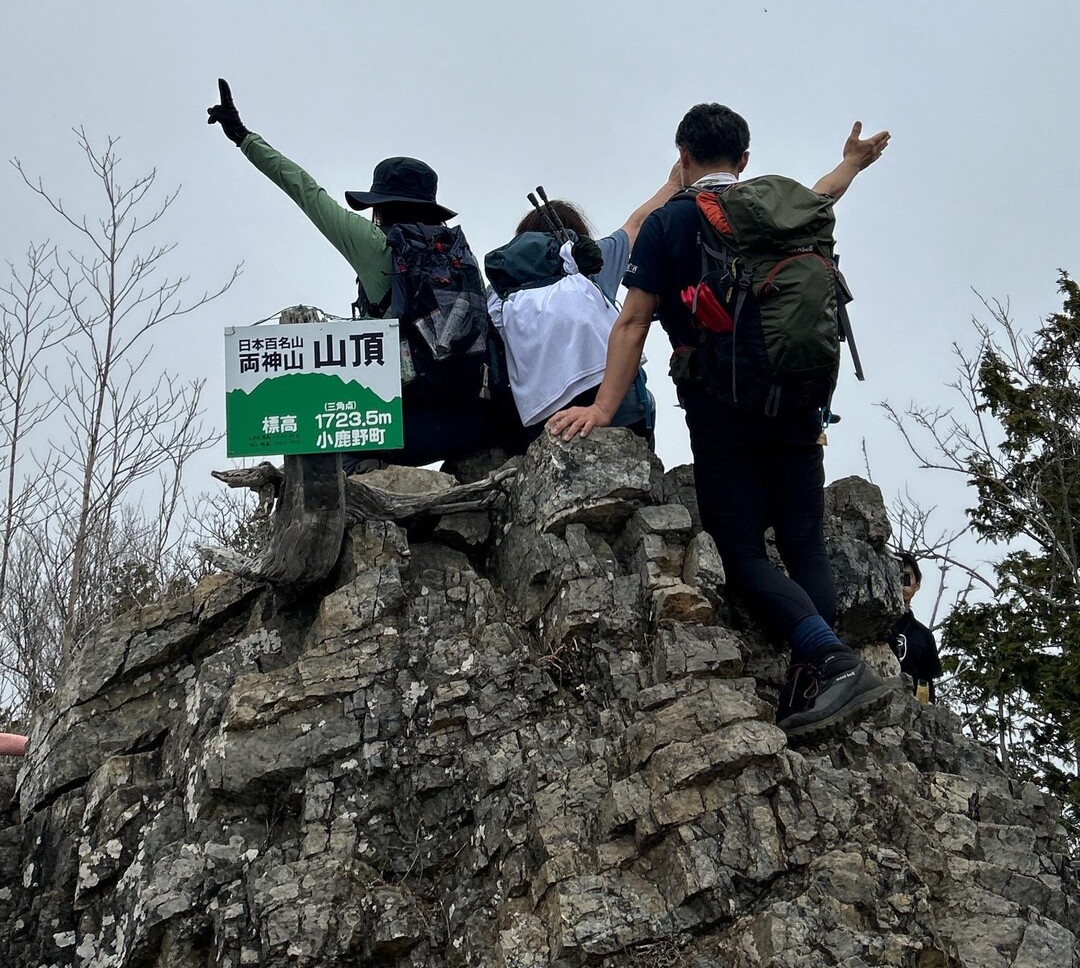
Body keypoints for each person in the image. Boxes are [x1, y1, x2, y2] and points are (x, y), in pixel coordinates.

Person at [549, 102, 894, 741]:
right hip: (799, 400)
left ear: (682, 159)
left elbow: (632, 322)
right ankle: (811, 684)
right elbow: (823, 195)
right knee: (802, 543)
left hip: (723, 409)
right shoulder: (782, 203)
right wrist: (851, 164)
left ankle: (831, 661)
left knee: (739, 554)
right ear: (744, 161)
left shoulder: (670, 224)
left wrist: (600, 407)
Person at [207, 79, 512, 469]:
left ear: (380, 207)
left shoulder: (377, 245)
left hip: (415, 425)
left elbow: (306, 192)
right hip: (477, 417)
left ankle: (382, 491)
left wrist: (243, 137)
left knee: (326, 460)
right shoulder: (458, 255)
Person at [486, 168, 681, 444]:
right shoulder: (591, 263)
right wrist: (675, 182)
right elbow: (638, 224)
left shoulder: (500, 290)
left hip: (538, 423)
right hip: (620, 416)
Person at [888, 554, 943, 703]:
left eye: (906, 577)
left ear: (917, 584)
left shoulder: (924, 635)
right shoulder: (871, 625)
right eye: (895, 577)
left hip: (908, 709)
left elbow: (926, 685)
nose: (901, 584)